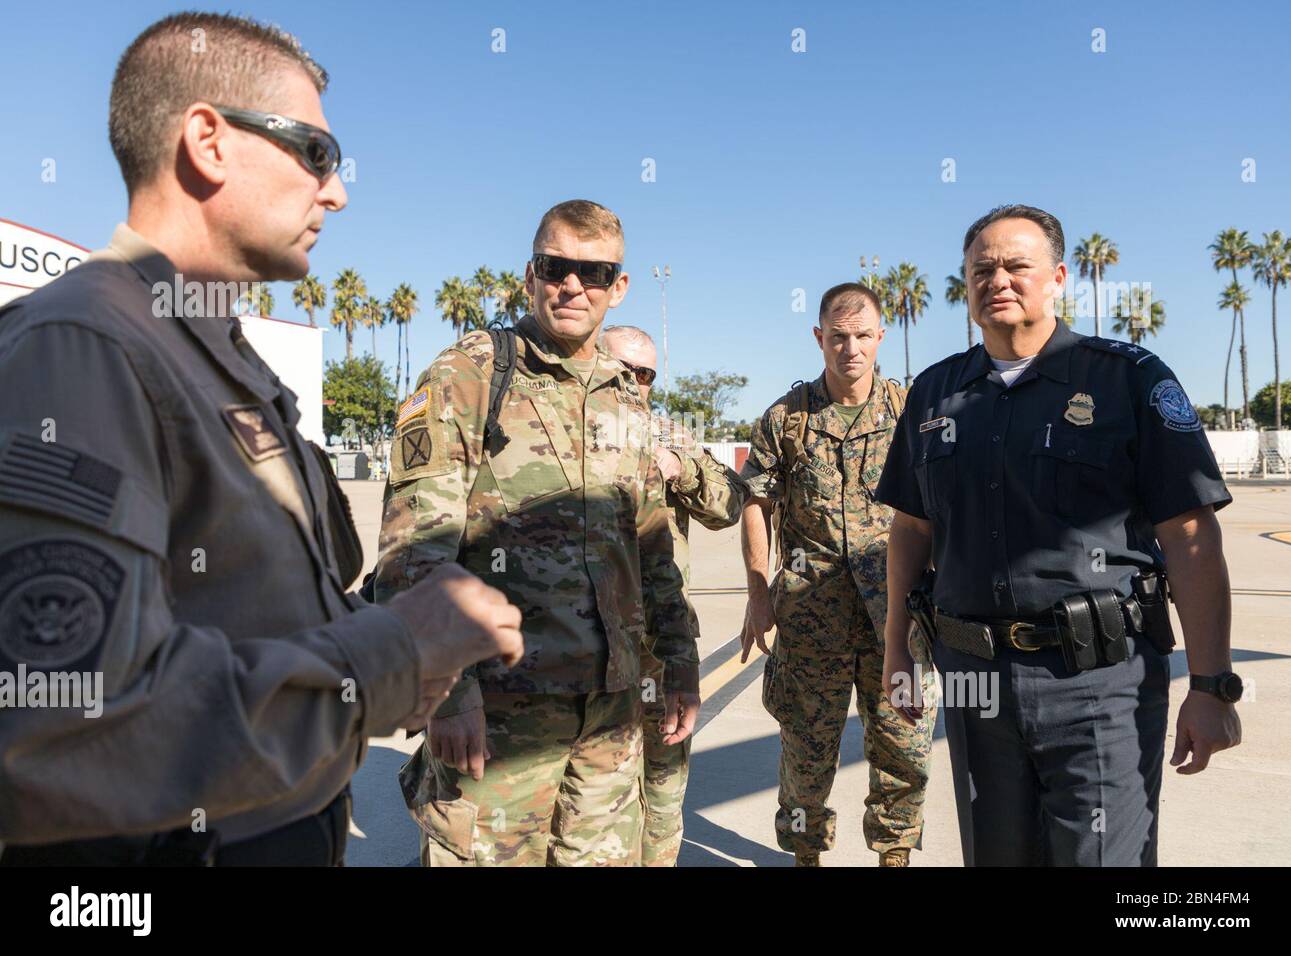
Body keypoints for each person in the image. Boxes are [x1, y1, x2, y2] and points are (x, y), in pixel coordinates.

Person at [0, 12, 522, 867]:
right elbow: (64, 728)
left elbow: (241, 616)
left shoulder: (213, 358)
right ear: (207, 140)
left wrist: (406, 649)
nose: (337, 189)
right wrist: (396, 649)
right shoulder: (84, 346)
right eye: (315, 151)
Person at [877, 204, 1242, 866]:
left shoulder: (1128, 379)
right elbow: (910, 529)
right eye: (982, 268)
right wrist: (896, 651)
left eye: (1018, 265)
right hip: (973, 681)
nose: (999, 279)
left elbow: (1191, 538)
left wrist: (1212, 684)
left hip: (1099, 681)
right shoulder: (933, 395)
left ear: (1059, 277)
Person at [374, 200, 699, 866]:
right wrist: (448, 692)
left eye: (595, 272)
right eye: (556, 267)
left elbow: (652, 547)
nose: (573, 285)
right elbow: (414, 552)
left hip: (610, 719)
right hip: (498, 720)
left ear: (620, 286)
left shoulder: (624, 397)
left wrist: (680, 662)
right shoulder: (468, 377)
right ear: (530, 275)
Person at [738, 283, 935, 867]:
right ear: (819, 337)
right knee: (806, 750)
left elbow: (940, 505)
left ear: (881, 337)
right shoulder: (786, 419)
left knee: (904, 747)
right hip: (809, 618)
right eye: (838, 336)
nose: (850, 348)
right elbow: (755, 501)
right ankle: (805, 855)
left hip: (897, 620)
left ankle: (894, 854)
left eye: (862, 336)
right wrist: (756, 591)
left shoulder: (910, 413)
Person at [600, 324, 746, 866]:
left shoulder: (671, 435)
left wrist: (682, 471)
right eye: (625, 370)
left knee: (661, 788)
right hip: (583, 644)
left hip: (662, 643)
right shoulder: (563, 432)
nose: (637, 383)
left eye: (647, 375)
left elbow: (730, 502)